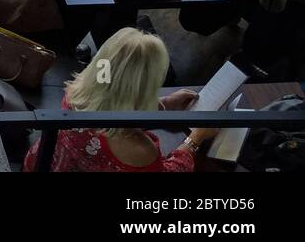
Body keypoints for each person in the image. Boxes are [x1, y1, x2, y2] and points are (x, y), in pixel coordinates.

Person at [22, 27, 213, 172]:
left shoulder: (77, 92)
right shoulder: (139, 150)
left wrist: (164, 104)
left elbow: (113, 98)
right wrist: (195, 139)